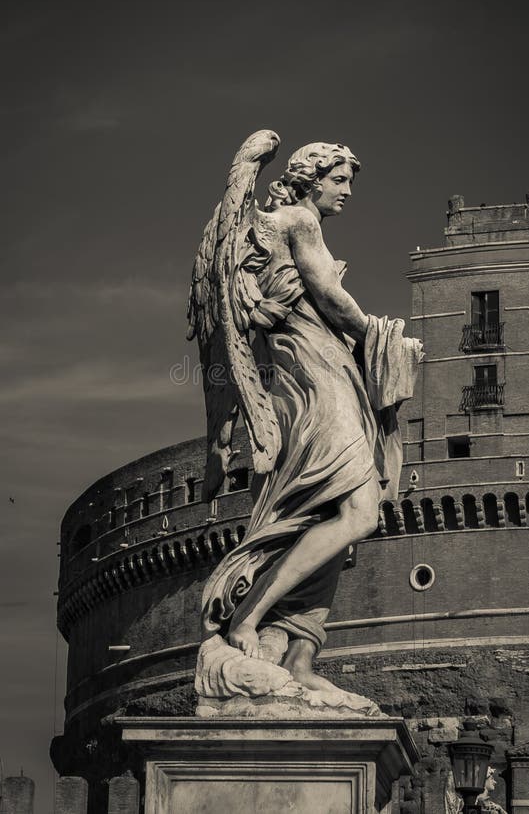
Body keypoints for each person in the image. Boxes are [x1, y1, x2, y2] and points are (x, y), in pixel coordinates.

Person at [196, 139, 422, 691]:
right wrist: (384, 336)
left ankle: (299, 658)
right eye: (339, 180)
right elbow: (329, 297)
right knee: (358, 510)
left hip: (315, 370)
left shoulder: (266, 227)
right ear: (311, 178)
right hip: (317, 375)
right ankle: (247, 616)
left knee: (333, 519)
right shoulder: (297, 219)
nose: (346, 192)